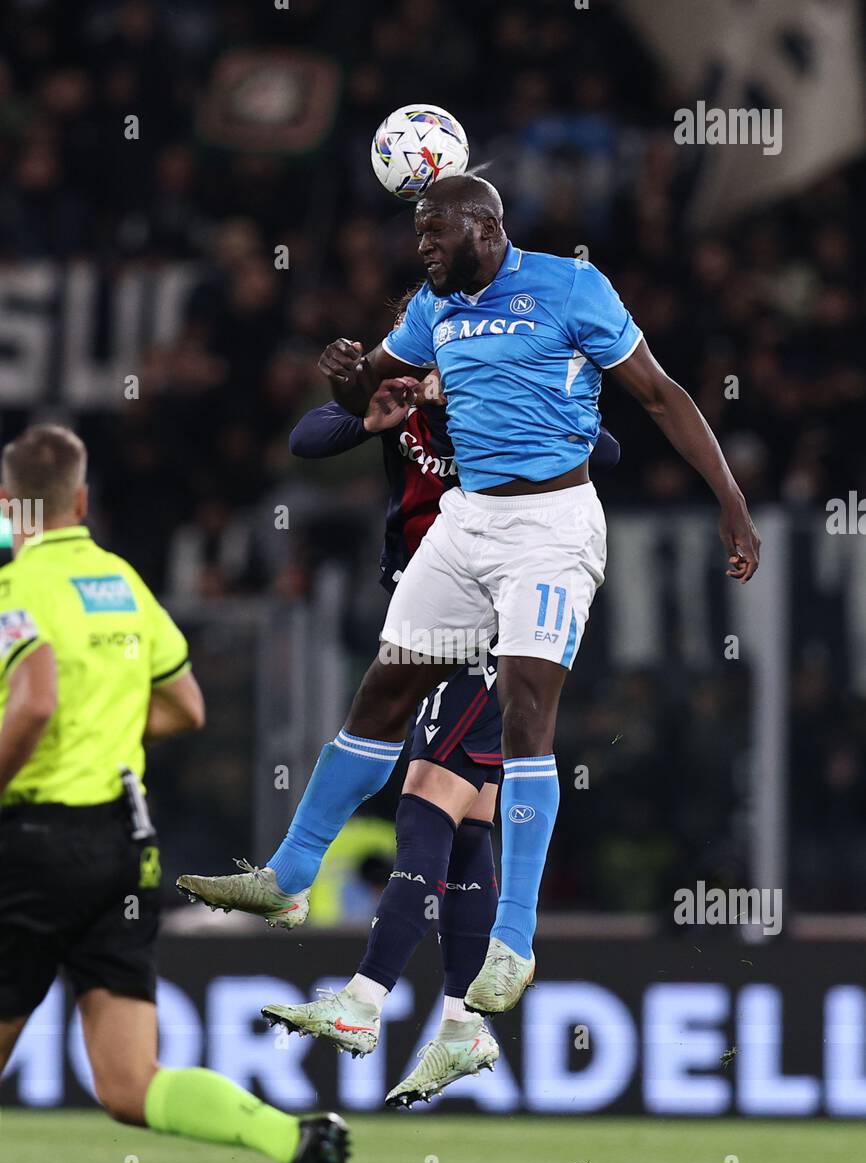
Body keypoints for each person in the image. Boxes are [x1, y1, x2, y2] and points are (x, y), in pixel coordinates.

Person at [179, 173, 760, 1020]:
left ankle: (514, 941)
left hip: (551, 530)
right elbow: (360, 399)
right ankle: (290, 875)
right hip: (466, 523)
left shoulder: (571, 286)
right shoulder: (431, 307)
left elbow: (660, 395)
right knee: (383, 690)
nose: (421, 249)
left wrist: (731, 500)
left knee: (528, 709)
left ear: (483, 227)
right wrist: (346, 375)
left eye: (432, 233)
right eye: (417, 237)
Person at [0, 425, 351, 1163]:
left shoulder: (16, 585)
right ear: (82, 501)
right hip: (127, 845)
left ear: (12, 510)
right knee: (129, 1084)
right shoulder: (120, 582)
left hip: (36, 843)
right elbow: (186, 707)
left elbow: (37, 701)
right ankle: (297, 1140)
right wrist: (110, 726)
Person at [251, 343, 618, 1106]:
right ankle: (459, 1026)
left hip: (495, 618)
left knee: (425, 796)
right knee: (468, 826)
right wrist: (387, 407)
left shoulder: (506, 394)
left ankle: (364, 999)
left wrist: (501, 400)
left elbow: (604, 446)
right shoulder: (402, 399)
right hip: (430, 619)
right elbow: (308, 437)